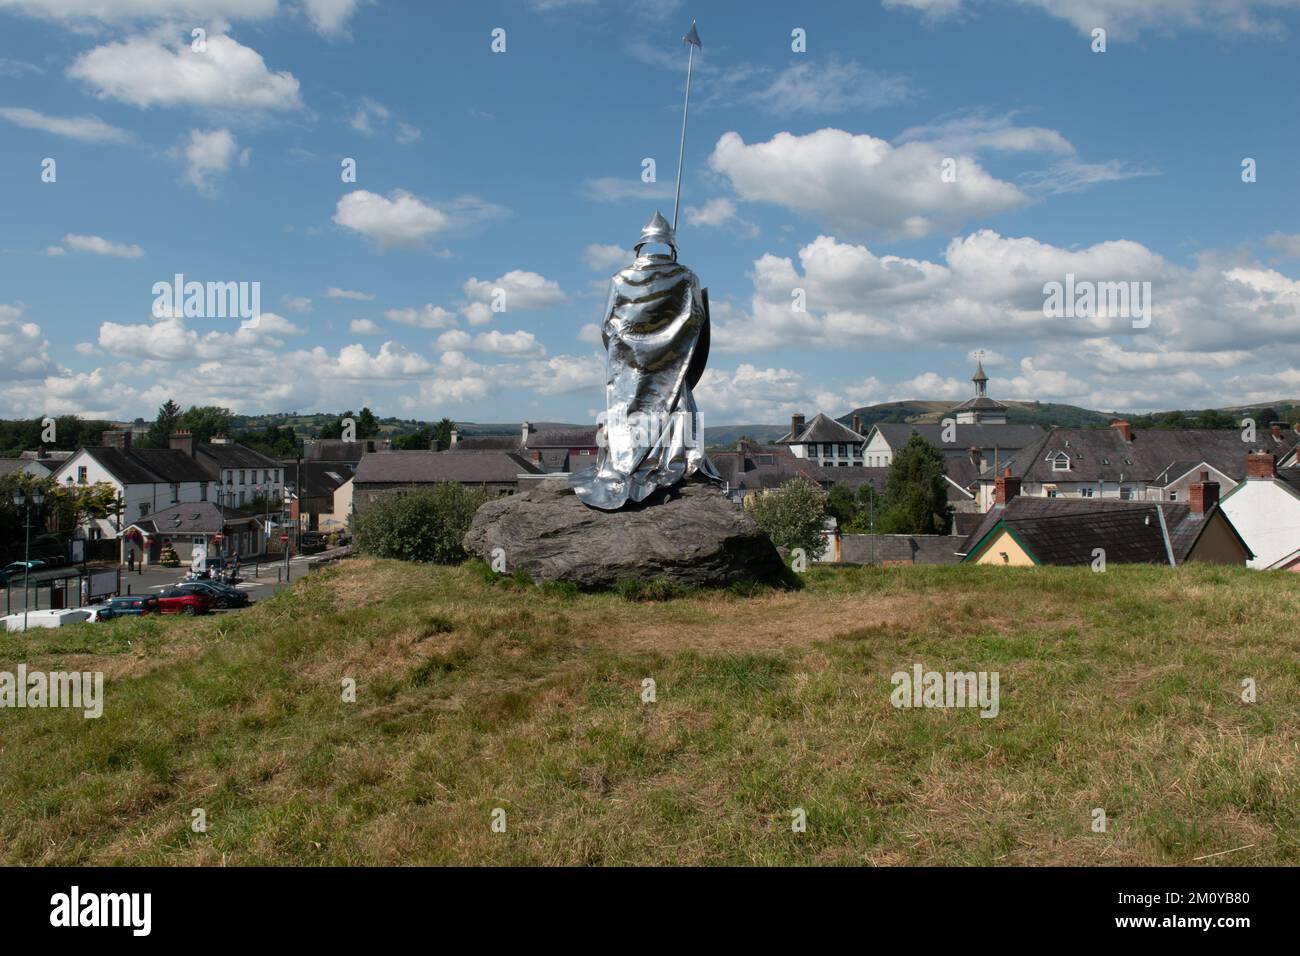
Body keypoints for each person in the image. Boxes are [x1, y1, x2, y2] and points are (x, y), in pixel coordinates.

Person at [569, 211, 719, 509]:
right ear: (670, 246)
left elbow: (607, 325)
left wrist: (632, 353)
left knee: (629, 410)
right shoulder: (686, 277)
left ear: (641, 246)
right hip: (674, 363)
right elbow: (696, 318)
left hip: (631, 365)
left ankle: (627, 460)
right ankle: (669, 458)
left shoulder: (621, 278)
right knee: (676, 402)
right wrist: (672, 346)